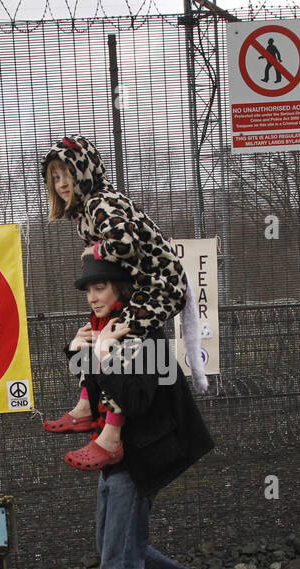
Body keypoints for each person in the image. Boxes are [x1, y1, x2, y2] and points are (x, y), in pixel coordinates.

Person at [60, 257, 216, 569]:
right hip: (113, 455)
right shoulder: (102, 327)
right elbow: (93, 393)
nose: (92, 297)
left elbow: (136, 401)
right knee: (114, 548)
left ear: (122, 291)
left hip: (139, 457)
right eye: (89, 290)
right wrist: (79, 352)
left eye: (102, 288)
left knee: (117, 564)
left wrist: (105, 354)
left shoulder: (142, 334)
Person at [39, 134, 206, 472]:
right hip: (142, 284)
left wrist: (95, 250)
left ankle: (111, 437)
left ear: (83, 172)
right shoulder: (84, 212)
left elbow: (125, 244)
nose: (60, 184)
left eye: (66, 174)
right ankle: (86, 406)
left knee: (121, 341)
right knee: (100, 330)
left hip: (160, 285)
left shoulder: (101, 202)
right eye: (54, 177)